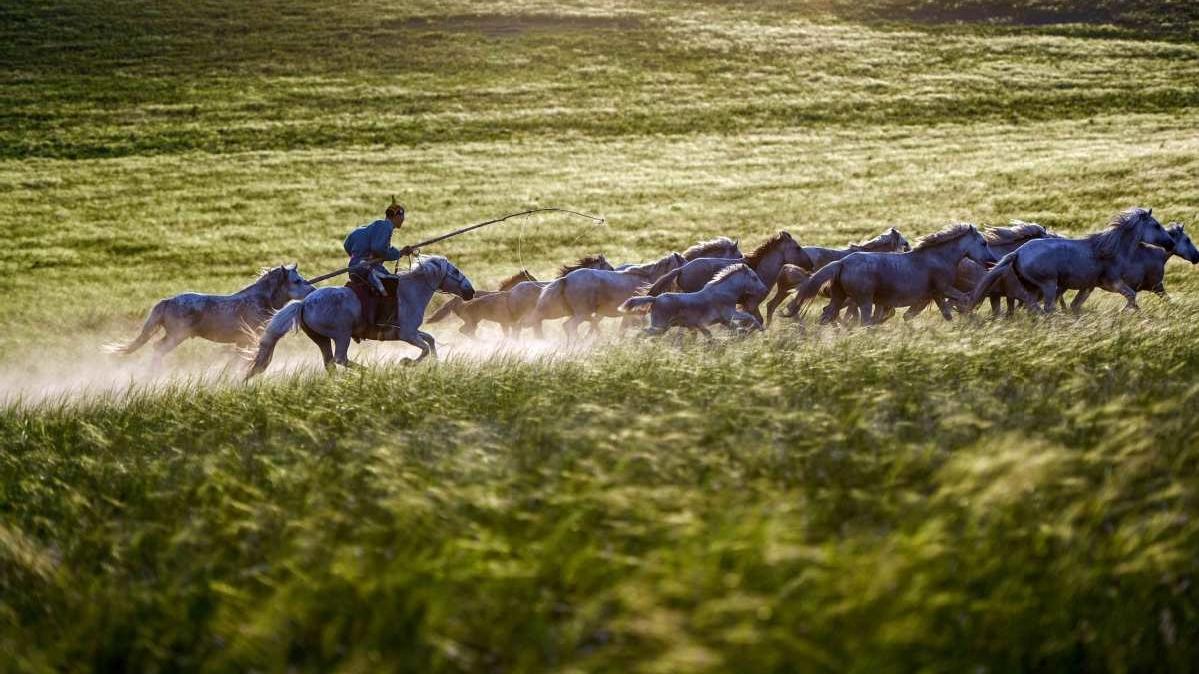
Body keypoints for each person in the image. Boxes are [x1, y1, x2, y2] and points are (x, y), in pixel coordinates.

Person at [344, 198, 413, 325]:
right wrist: (399, 253)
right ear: (396, 216)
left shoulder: (364, 229)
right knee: (395, 283)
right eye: (402, 216)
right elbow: (378, 248)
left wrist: (359, 257)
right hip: (368, 268)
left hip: (354, 268)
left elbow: (347, 244)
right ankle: (386, 321)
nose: (403, 220)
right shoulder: (385, 226)